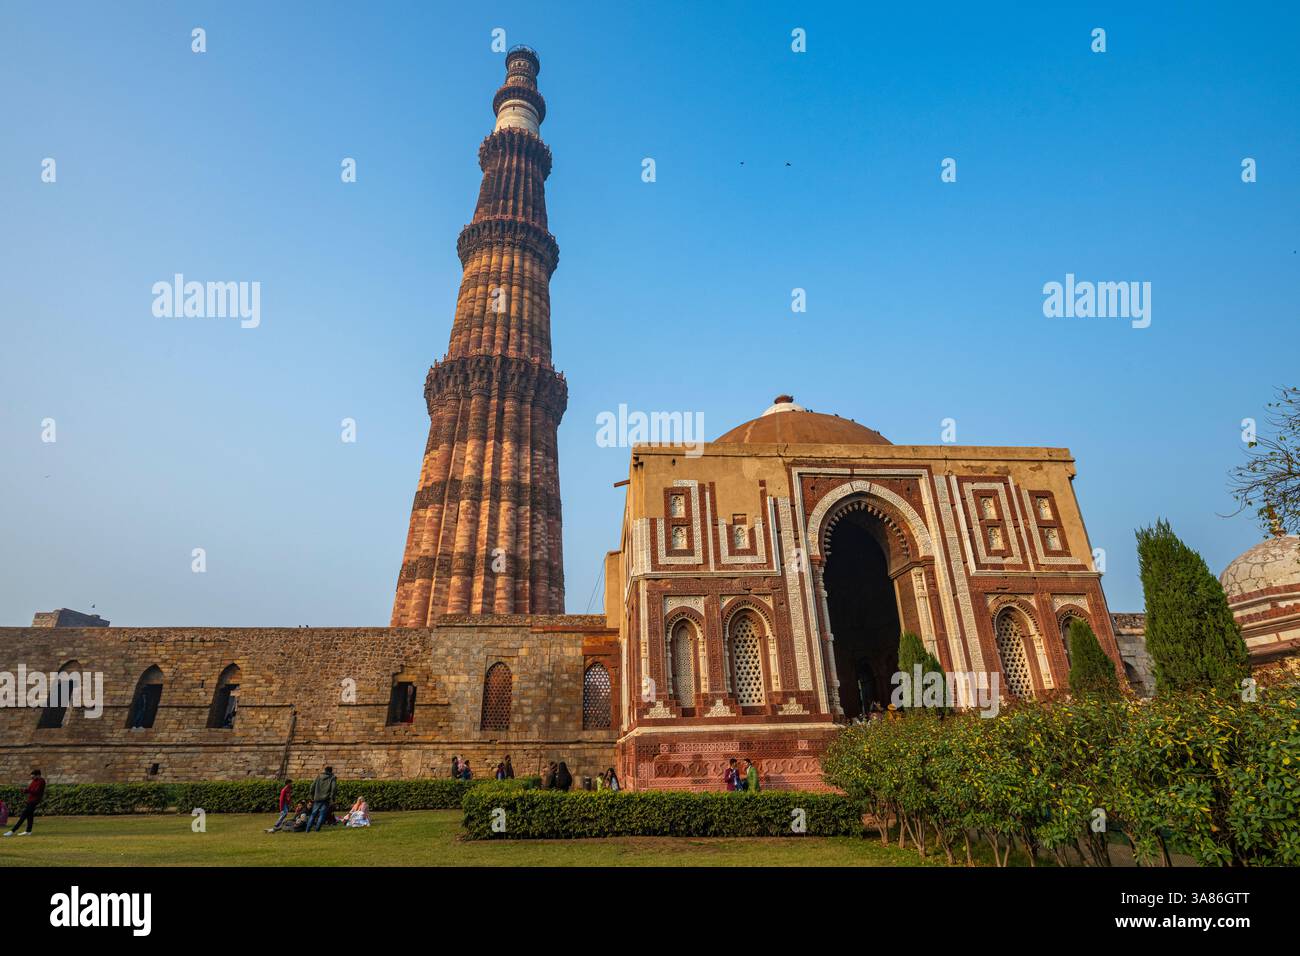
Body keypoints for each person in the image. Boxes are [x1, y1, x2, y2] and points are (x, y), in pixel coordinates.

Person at [4, 769, 46, 837]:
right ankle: (28, 831)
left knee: (23, 815)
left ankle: (12, 831)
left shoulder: (41, 781)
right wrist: (24, 790)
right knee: (30, 816)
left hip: (34, 801)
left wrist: (27, 790)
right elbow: (30, 789)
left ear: (38, 775)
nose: (32, 778)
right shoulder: (34, 781)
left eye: (33, 777)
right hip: (30, 801)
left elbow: (36, 791)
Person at [304, 765, 337, 832]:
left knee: (313, 814)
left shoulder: (319, 776)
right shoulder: (332, 778)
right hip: (325, 799)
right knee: (322, 814)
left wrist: (312, 795)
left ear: (325, 770)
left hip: (317, 798)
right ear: (331, 771)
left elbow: (312, 786)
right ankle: (317, 829)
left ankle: (307, 829)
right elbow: (333, 789)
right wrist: (332, 798)